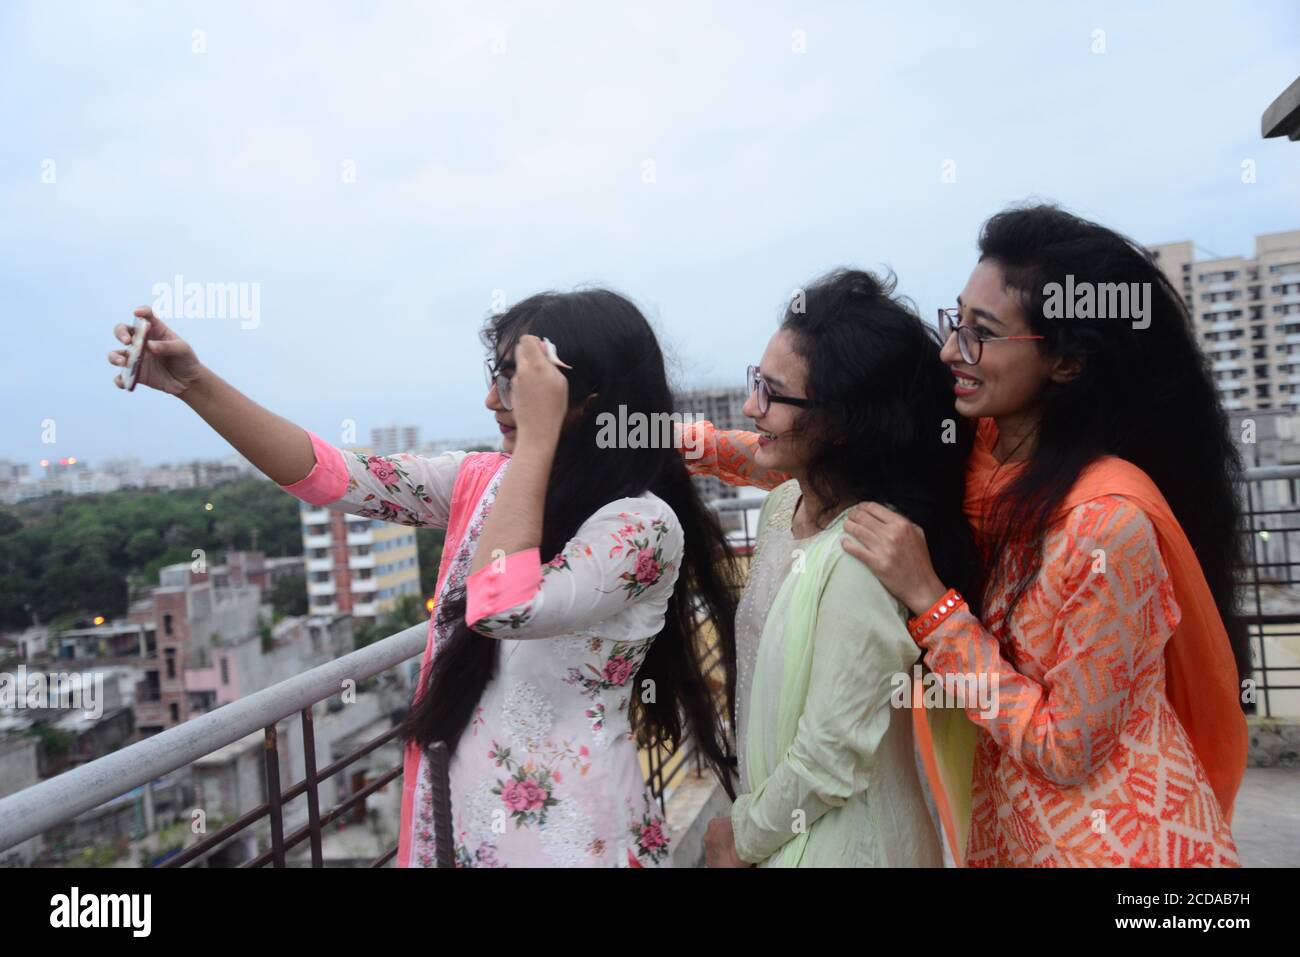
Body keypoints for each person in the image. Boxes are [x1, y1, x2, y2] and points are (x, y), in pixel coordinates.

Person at [689, 205, 1250, 867]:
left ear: (1067, 361)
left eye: (981, 332)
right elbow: (822, 444)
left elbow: (1066, 747)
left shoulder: (1106, 522)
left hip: (1117, 845)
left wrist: (934, 604)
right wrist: (687, 445)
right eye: (955, 321)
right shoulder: (982, 452)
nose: (952, 350)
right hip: (1006, 833)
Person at [108, 289, 740, 867]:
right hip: (458, 815)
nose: (494, 399)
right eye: (497, 377)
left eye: (514, 381)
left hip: (574, 837)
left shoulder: (640, 523)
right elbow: (330, 474)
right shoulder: (485, 482)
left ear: (585, 400)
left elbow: (500, 605)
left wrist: (539, 437)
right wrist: (194, 384)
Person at [700, 269, 980, 867]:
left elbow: (829, 757)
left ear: (842, 421)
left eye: (773, 394)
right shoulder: (783, 507)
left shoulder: (866, 550)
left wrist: (740, 840)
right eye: (757, 382)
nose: (752, 408)